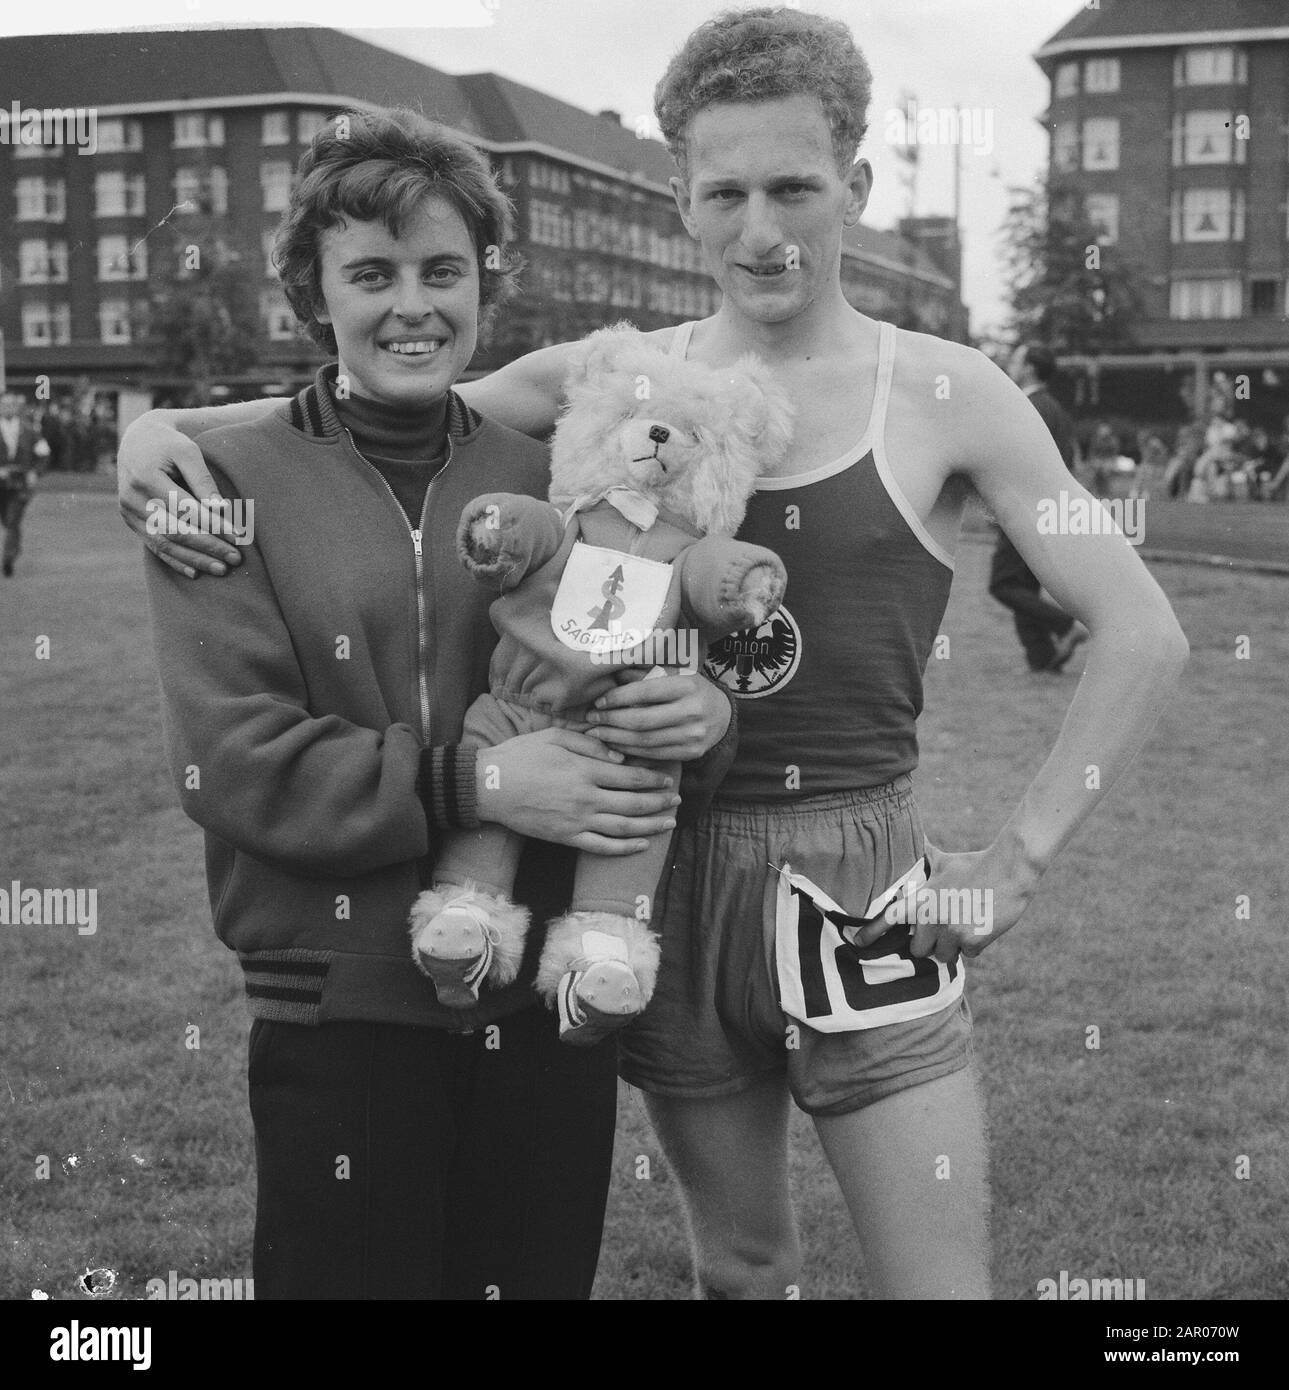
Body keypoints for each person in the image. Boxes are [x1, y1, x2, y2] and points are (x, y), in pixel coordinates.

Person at [118, 6, 1188, 1300]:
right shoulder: (615, 374)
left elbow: (1141, 628)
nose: (761, 229)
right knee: (738, 1267)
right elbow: (379, 387)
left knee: (934, 1285)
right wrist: (162, 427)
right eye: (724, 192)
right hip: (656, 870)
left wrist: (1011, 866)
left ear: (852, 181)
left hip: (858, 874)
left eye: (794, 187)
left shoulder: (953, 391)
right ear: (680, 200)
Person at [138, 106, 734, 1301]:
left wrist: (705, 719)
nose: (412, 304)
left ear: (483, 287)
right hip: (336, 1004)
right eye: (370, 273)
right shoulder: (221, 484)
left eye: (442, 271)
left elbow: (629, 668)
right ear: (313, 295)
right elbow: (233, 758)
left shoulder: (556, 481)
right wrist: (478, 782)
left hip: (538, 1004)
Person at [987, 344, 1087, 673]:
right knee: (1023, 585)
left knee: (1004, 584)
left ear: (1029, 368)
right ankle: (1042, 658)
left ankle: (1065, 626)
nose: (1010, 365)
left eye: (1015, 360)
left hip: (1025, 509)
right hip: (1049, 507)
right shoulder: (1055, 409)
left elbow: (1014, 459)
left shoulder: (1027, 407)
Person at [0, 391, 51, 576]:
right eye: (4, 404)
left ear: (17, 407)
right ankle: (14, 546)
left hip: (20, 485)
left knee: (13, 520)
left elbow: (44, 453)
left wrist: (34, 472)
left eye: (11, 404)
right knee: (7, 521)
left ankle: (7, 559)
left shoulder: (29, 431)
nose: (8, 408)